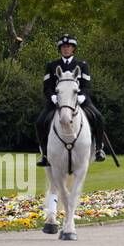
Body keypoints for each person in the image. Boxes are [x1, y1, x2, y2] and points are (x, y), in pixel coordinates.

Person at [36, 34, 109, 166]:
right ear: (60, 49)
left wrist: (82, 96)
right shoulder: (52, 65)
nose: (65, 49)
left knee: (98, 118)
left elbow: (86, 85)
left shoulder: (82, 65)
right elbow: (47, 87)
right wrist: (52, 97)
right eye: (63, 47)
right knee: (40, 122)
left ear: (73, 49)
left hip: (80, 100)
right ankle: (45, 155)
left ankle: (99, 149)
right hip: (57, 102)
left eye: (68, 47)